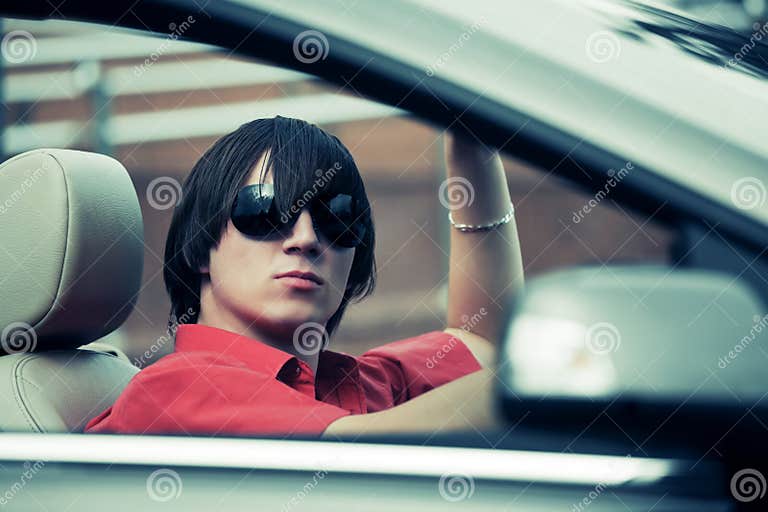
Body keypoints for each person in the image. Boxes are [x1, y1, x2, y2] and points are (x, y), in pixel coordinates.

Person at [85, 116, 524, 438]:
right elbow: (355, 453)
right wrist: (561, 370)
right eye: (265, 210)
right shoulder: (171, 390)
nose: (307, 237)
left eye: (339, 218)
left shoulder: (356, 384)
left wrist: (472, 148)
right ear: (201, 247)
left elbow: (483, 343)